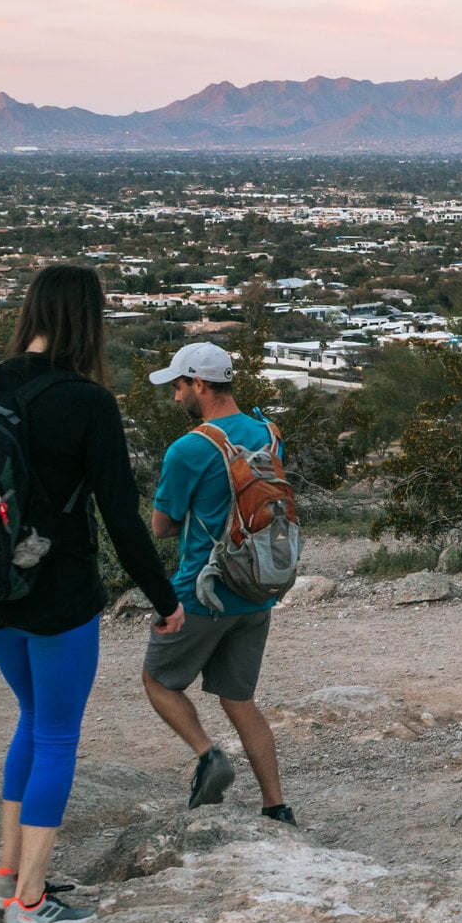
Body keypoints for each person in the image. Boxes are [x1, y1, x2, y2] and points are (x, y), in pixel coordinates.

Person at [0, 264, 183, 923]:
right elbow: (123, 518)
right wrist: (163, 599)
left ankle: (5, 875)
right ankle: (29, 903)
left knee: (32, 720)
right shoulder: (87, 402)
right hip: (59, 593)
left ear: (32, 312)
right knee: (55, 736)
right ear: (92, 318)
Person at [140, 341, 293, 824]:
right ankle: (276, 806)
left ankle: (208, 755)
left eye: (179, 386)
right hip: (257, 587)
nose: (175, 396)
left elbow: (162, 527)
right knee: (239, 699)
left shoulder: (189, 448)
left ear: (199, 385)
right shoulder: (269, 433)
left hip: (201, 592)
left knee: (159, 681)